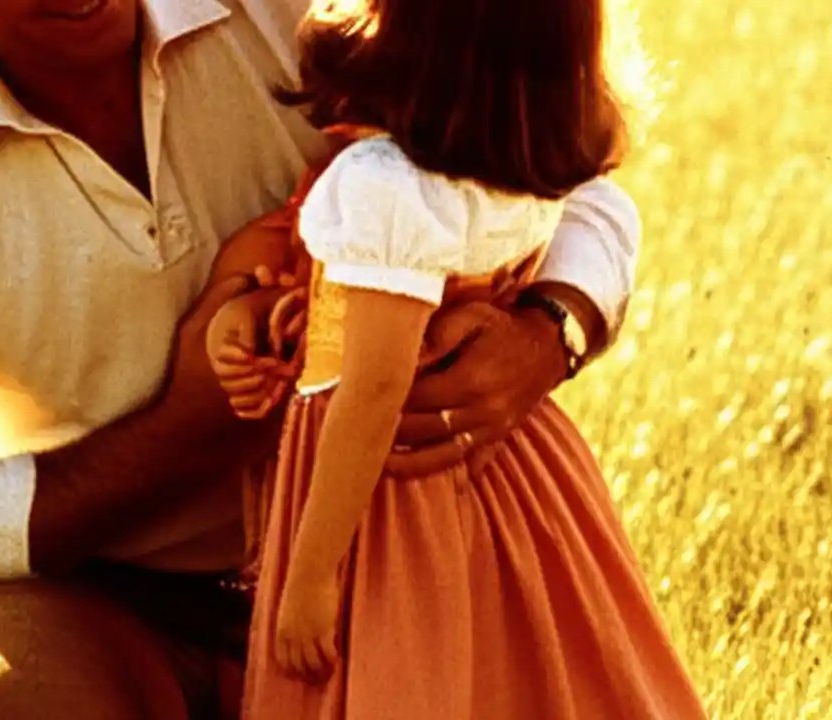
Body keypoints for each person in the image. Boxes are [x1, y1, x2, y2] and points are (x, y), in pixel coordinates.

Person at [0, 0, 645, 717]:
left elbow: (559, 157)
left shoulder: (296, 7)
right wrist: (189, 427)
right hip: (102, 598)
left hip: (397, 552)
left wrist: (549, 330)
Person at [198, 1, 705, 718]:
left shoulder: (384, 183)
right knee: (500, 661)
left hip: (381, 487)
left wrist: (309, 576)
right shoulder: (514, 163)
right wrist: (282, 316)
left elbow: (372, 388)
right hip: (517, 463)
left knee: (395, 661)